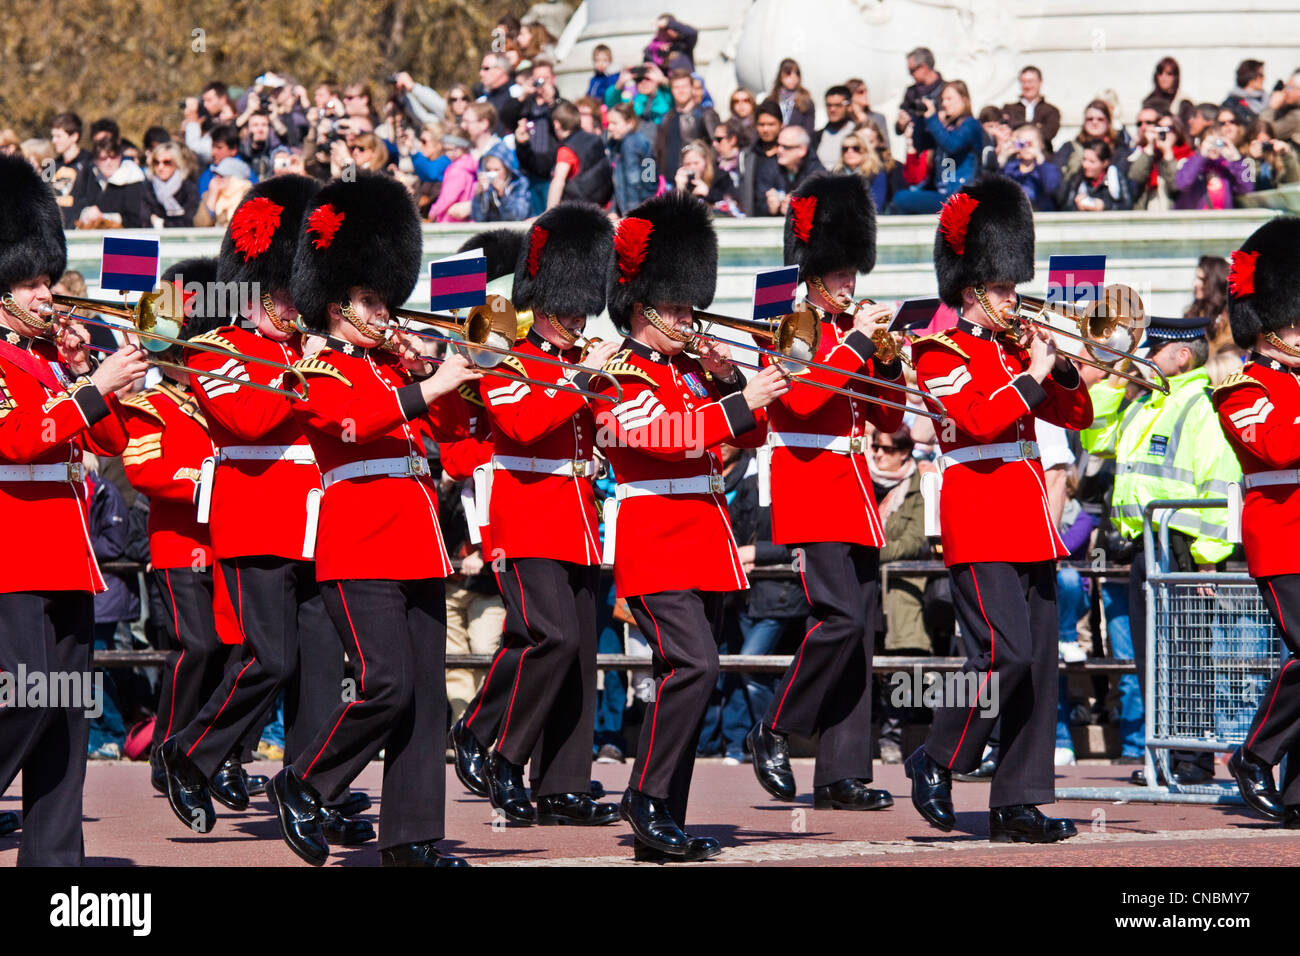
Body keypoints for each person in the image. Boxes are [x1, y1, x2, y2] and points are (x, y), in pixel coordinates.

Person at [263, 172, 478, 867]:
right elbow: (350, 426)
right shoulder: (313, 368)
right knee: (385, 683)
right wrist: (425, 386)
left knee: (422, 701)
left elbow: (457, 436)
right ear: (334, 305)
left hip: (418, 539)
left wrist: (454, 379)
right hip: (359, 539)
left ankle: (411, 837)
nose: (382, 312)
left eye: (384, 298)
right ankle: (304, 781)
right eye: (367, 300)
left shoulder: (397, 367)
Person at [157, 175, 369, 843]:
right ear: (256, 287)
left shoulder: (305, 350)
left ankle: (308, 786)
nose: (294, 304)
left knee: (319, 666)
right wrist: (308, 372)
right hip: (257, 520)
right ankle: (189, 753)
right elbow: (246, 420)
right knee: (270, 659)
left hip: (320, 522)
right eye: (285, 292)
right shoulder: (215, 349)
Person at [593, 193, 789, 860]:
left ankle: (662, 817)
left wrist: (733, 378)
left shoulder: (690, 374)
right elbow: (659, 438)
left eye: (686, 304)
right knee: (696, 665)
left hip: (700, 534)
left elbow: (752, 433)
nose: (686, 316)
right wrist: (734, 399)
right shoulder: (615, 374)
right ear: (642, 305)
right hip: (654, 534)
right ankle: (645, 795)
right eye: (675, 306)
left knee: (683, 672)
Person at [904, 174, 1093, 843]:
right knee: (999, 656)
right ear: (972, 285)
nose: (1017, 298)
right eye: (1006, 287)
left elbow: (1078, 415)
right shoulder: (938, 349)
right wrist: (1036, 373)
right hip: (979, 514)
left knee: (1038, 665)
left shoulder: (1017, 347)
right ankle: (937, 753)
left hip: (1029, 517)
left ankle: (1018, 801)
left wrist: (1064, 367)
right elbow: (980, 421)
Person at [448, 203, 623, 829]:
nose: (578, 319)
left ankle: (563, 785)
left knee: (578, 658)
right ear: (539, 304)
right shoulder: (508, 358)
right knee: (551, 638)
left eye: (582, 308)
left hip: (578, 517)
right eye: (567, 308)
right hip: (525, 514)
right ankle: (492, 742)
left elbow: (604, 435)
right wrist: (582, 379)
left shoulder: (577, 359)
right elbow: (521, 424)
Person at [0, 154, 147, 864]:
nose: (44, 295)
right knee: (25, 695)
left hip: (66, 554)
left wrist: (96, 374)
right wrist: (86, 390)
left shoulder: (50, 360)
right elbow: (19, 439)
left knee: (63, 713)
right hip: (12, 552)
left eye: (45, 280)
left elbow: (113, 439)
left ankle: (56, 863)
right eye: (29, 283)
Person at [747, 172, 903, 811]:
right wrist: (864, 342)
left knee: (859, 630)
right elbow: (806, 399)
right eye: (839, 274)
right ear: (813, 274)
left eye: (852, 273)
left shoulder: (849, 333)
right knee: (837, 618)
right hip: (811, 487)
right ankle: (775, 726)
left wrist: (889, 362)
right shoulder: (791, 326)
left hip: (854, 490)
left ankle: (842, 772)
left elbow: (891, 418)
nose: (850, 283)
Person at [1081, 315, 1241, 787]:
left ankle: (1189, 763)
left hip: (1185, 549)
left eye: (1153, 352)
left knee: (1185, 657)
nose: (1144, 359)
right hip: (1144, 548)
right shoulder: (1145, 403)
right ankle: (1165, 755)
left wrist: (1210, 556)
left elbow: (1221, 481)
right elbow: (1095, 436)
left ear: (1180, 357)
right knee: (1153, 658)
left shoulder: (1200, 406)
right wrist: (1112, 380)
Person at [118, 257, 226, 791]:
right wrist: (210, 482)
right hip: (179, 546)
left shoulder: (220, 398)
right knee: (197, 646)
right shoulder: (151, 402)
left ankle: (210, 753)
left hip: (226, 541)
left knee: (230, 646)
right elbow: (145, 471)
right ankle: (167, 748)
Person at [1214, 217, 1300, 824]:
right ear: (1274, 326)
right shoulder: (1243, 389)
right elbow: (1276, 448)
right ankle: (1253, 753)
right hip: (1281, 536)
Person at [889, 80, 982, 214]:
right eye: (943, 99)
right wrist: (912, 121)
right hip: (943, 194)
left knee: (901, 199)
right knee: (901, 196)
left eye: (949, 99)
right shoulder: (945, 125)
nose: (944, 103)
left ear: (964, 99)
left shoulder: (971, 124)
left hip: (961, 196)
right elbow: (922, 144)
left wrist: (933, 119)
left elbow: (952, 144)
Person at [654, 67, 720, 185]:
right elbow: (656, 151)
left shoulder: (705, 114)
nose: (681, 91)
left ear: (691, 88)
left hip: (695, 181)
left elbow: (716, 147)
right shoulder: (667, 117)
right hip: (669, 183)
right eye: (676, 87)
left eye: (684, 86)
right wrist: (650, 180)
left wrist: (708, 177)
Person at [545, 101, 614, 209]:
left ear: (557, 124)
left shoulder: (567, 150)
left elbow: (558, 181)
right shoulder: (595, 139)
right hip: (602, 208)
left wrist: (549, 213)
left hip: (577, 211)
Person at [1175, 125, 1253, 210]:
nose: (1214, 148)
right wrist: (1201, 155)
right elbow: (1182, 184)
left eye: (1218, 143)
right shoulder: (1192, 164)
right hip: (1196, 221)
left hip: (1221, 221)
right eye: (1210, 142)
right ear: (1200, 145)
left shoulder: (1228, 169)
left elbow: (1247, 188)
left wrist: (1235, 159)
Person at [1127, 109, 1191, 210]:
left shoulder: (1187, 156)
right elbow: (1135, 177)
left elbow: (1176, 186)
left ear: (1177, 131)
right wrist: (1149, 147)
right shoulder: (1147, 155)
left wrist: (1168, 153)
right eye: (1160, 128)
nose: (1164, 133)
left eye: (1169, 128)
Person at [1054, 99, 1130, 184]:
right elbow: (1056, 175)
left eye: (1100, 119)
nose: (1094, 122)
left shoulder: (1119, 148)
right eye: (1090, 119)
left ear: (1108, 122)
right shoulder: (1070, 147)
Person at [758, 125, 826, 217]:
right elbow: (758, 202)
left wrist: (799, 210)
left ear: (802, 150)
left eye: (786, 147)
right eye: (778, 145)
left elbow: (823, 209)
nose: (779, 150)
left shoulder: (818, 174)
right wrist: (769, 208)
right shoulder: (769, 167)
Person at [49, 112, 100, 227]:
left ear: (74, 136)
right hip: (54, 233)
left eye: (58, 136)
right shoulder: (51, 165)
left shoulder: (90, 163)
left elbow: (93, 201)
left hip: (78, 233)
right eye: (53, 136)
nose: (53, 141)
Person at [607, 102, 657, 215]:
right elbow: (619, 182)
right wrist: (615, 209)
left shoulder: (631, 144)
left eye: (614, 123)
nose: (610, 127)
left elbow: (636, 182)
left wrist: (632, 213)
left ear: (630, 123)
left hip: (636, 209)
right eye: (609, 123)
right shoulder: (617, 144)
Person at [1001, 66, 1061, 153]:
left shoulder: (1051, 111)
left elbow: (1048, 134)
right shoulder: (1009, 109)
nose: (1027, 86)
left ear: (1040, 82)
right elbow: (1005, 132)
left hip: (1043, 157)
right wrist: (1036, 126)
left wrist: (1017, 126)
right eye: (1023, 82)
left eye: (1031, 81)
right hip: (1014, 156)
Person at [1001, 124, 1061, 211]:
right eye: (1022, 144)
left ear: (1041, 145)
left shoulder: (1048, 169)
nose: (1027, 148)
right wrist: (1003, 157)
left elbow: (1050, 187)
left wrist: (1040, 159)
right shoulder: (1010, 168)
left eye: (1031, 143)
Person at [1061, 139, 1132, 211]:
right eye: (1084, 159)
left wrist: (1104, 206)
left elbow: (1127, 205)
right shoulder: (1077, 179)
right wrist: (1077, 206)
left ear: (1105, 163)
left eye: (1092, 161)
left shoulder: (1117, 177)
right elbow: (1065, 207)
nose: (1085, 165)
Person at [141, 142, 200, 228]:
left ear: (176, 163)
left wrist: (162, 223)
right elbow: (143, 220)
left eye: (167, 162)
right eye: (156, 162)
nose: (161, 167)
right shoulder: (147, 188)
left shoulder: (188, 188)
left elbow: (189, 221)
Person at [471, 144, 530, 222]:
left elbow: (518, 216)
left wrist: (503, 196)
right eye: (488, 170)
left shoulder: (519, 183)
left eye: (496, 170)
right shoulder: (485, 187)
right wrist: (478, 195)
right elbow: (477, 218)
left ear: (507, 169)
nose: (492, 173)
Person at [428, 130, 477, 222]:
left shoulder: (456, 170)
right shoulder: (471, 167)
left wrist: (433, 211)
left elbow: (448, 197)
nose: (446, 154)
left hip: (450, 221)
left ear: (461, 148)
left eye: (448, 150)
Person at [896, 47, 944, 136]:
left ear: (924, 67)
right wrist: (901, 124)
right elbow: (898, 130)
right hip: (917, 148)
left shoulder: (947, 91)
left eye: (912, 70)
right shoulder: (911, 92)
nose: (910, 74)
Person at [766, 59, 815, 137]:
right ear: (780, 76)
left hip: (795, 145)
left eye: (797, 73)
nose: (793, 77)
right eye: (788, 73)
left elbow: (809, 132)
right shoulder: (770, 101)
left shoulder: (806, 102)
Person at [814, 85, 857, 170]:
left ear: (849, 107)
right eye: (829, 105)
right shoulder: (816, 137)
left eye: (838, 105)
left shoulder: (858, 133)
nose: (832, 109)